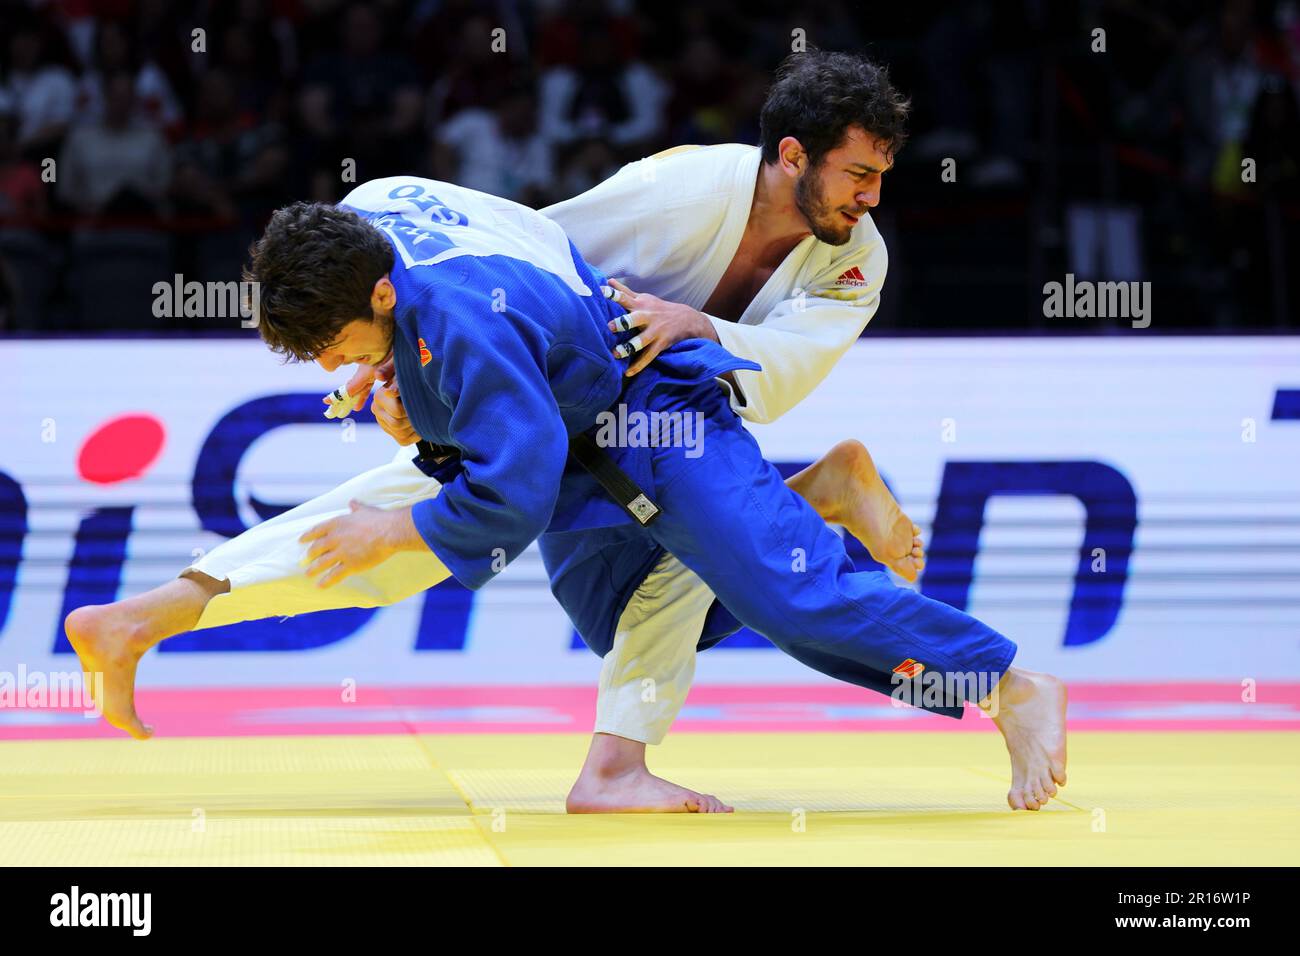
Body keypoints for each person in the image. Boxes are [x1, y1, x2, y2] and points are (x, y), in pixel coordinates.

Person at [67, 174, 1069, 818]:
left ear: (379, 295)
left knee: (794, 603)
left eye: (341, 353)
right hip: (567, 395)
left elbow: (516, 487)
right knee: (630, 604)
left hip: (647, 416)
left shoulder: (459, 327)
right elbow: (503, 280)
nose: (341, 371)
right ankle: (808, 497)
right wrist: (398, 386)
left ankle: (1010, 683)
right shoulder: (372, 218)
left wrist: (409, 507)